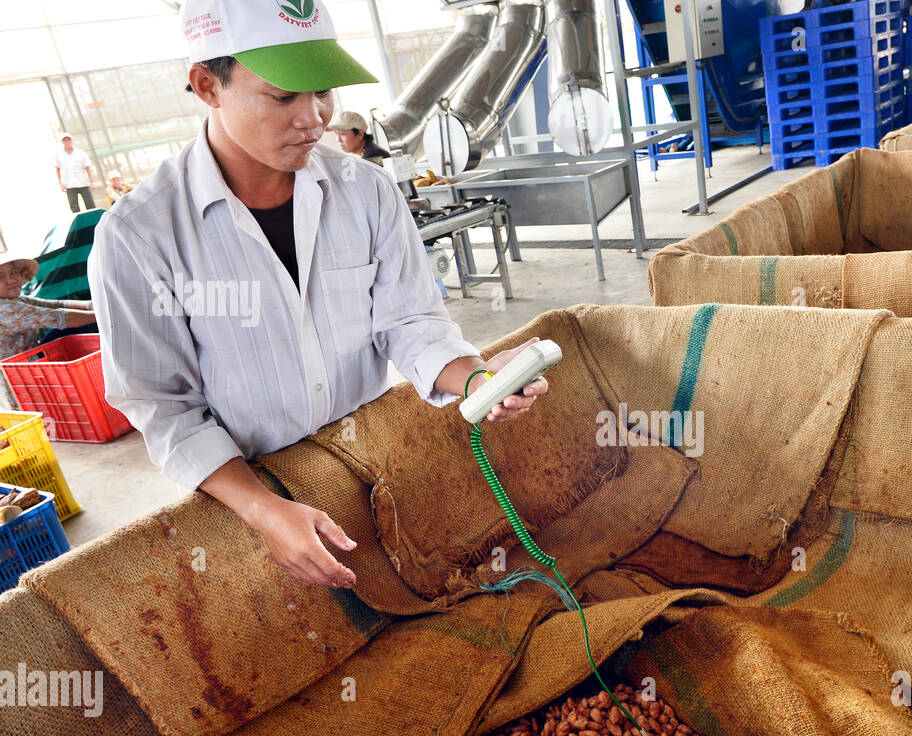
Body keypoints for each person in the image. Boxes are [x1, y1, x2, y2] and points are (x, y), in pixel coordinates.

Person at [88, 0, 548, 590]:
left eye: (323, 92)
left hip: (369, 464)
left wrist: (480, 382)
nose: (314, 119)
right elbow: (163, 406)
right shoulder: (141, 233)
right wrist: (264, 511)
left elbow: (411, 324)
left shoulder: (365, 191)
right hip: (246, 494)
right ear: (207, 84)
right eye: (283, 96)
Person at [0, 253, 96, 407]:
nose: (11, 279)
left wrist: (94, 304)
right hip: (12, 380)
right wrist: (102, 314)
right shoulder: (4, 309)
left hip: (27, 369)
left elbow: (57, 305)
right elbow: (60, 317)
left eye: (13, 272)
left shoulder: (16, 300)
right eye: (0, 277)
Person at [54, 134, 96, 213]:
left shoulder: (81, 153)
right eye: (65, 140)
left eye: (68, 140)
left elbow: (88, 168)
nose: (67, 142)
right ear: (62, 142)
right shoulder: (58, 155)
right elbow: (57, 170)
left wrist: (91, 182)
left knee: (90, 206)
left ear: (72, 141)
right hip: (69, 185)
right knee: (74, 208)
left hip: (83, 183)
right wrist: (60, 183)